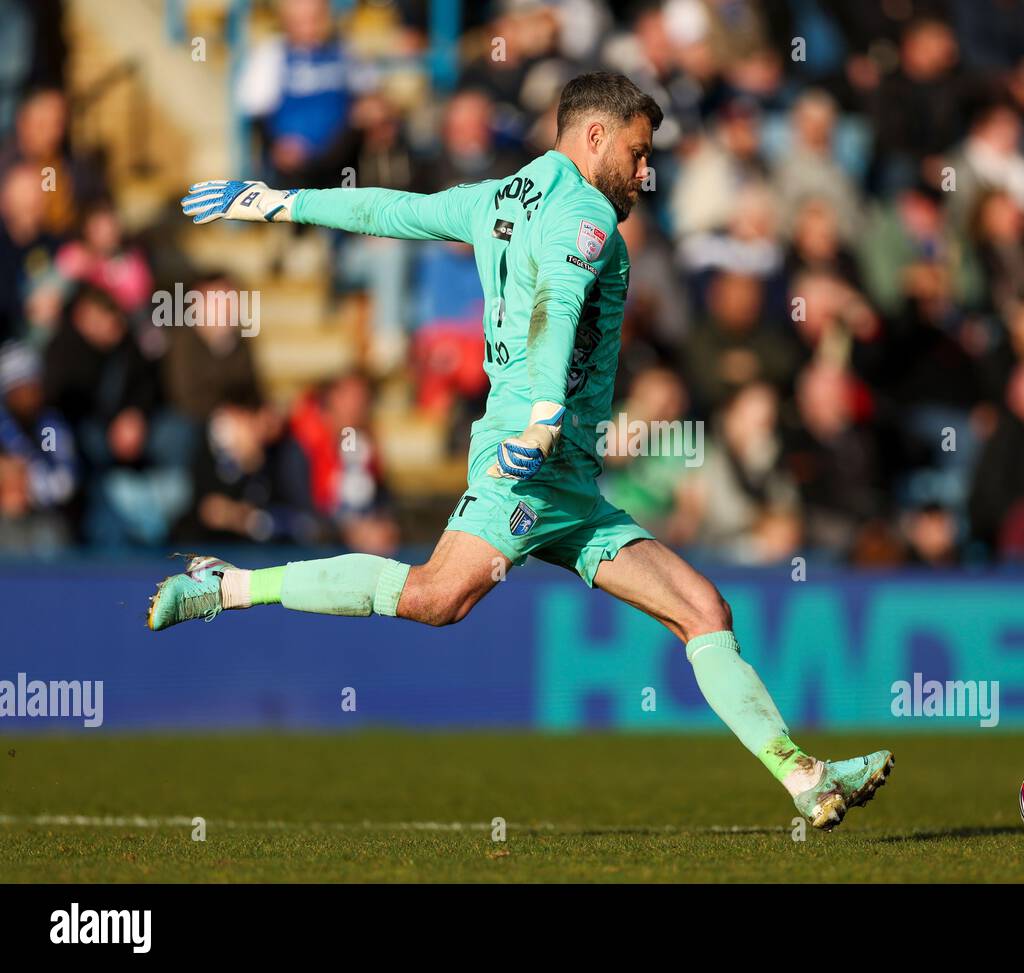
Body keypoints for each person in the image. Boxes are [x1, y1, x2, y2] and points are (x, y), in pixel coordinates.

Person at [150, 72, 893, 832]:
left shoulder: (498, 196)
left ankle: (803, 774)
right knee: (437, 597)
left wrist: (279, 201)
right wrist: (541, 417)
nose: (647, 171)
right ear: (594, 136)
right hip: (528, 462)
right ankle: (226, 586)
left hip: (568, 482)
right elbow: (555, 310)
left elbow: (391, 210)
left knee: (704, 609)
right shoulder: (586, 216)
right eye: (639, 153)